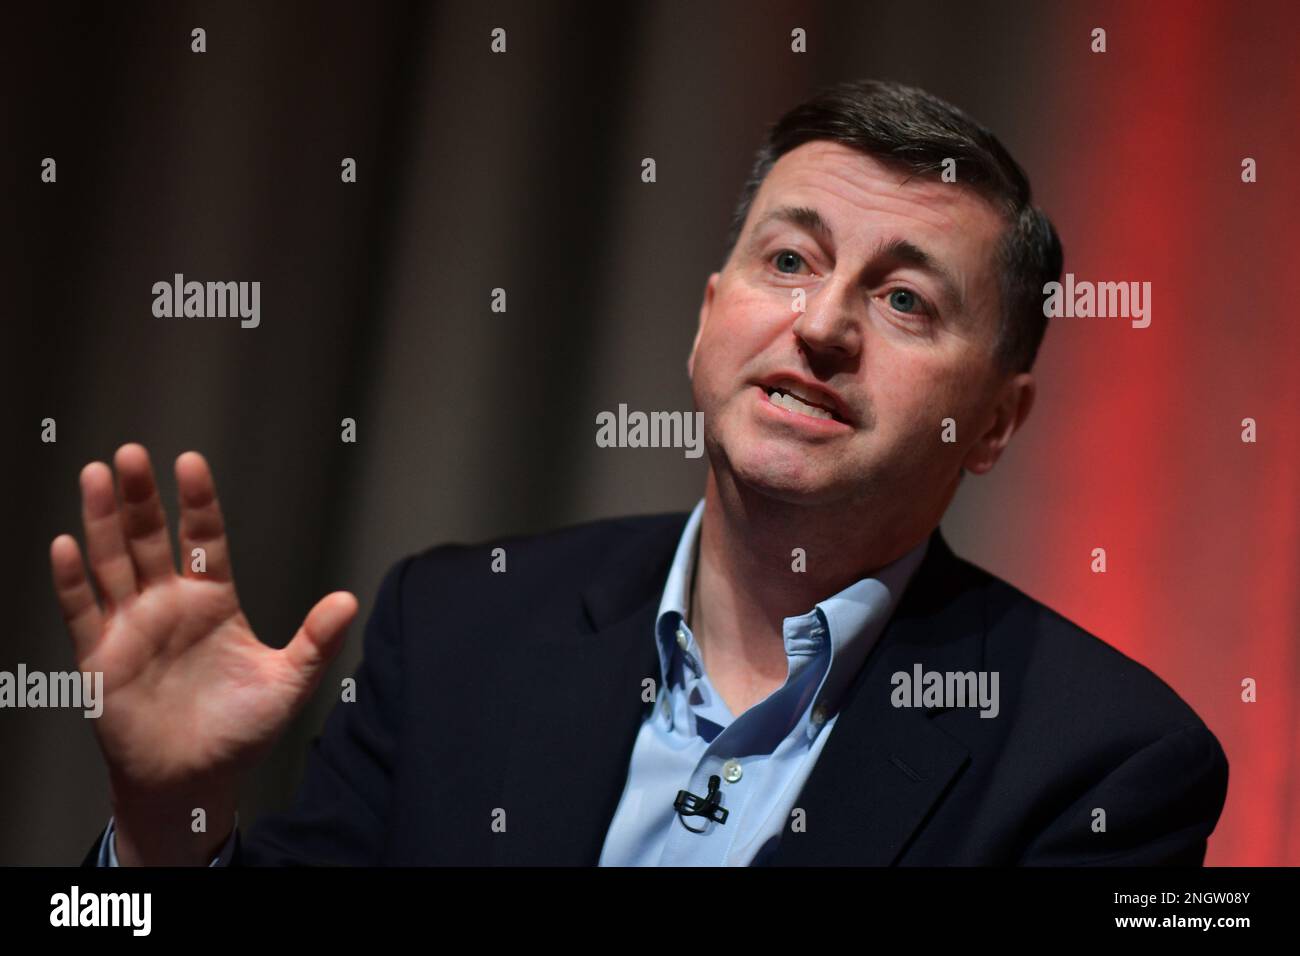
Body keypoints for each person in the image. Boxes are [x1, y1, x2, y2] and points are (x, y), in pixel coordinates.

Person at [53, 79, 1228, 867]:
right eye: (788, 259)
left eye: (905, 298)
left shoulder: (1103, 761)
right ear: (708, 316)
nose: (819, 324)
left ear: (993, 423)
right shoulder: (461, 624)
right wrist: (163, 833)